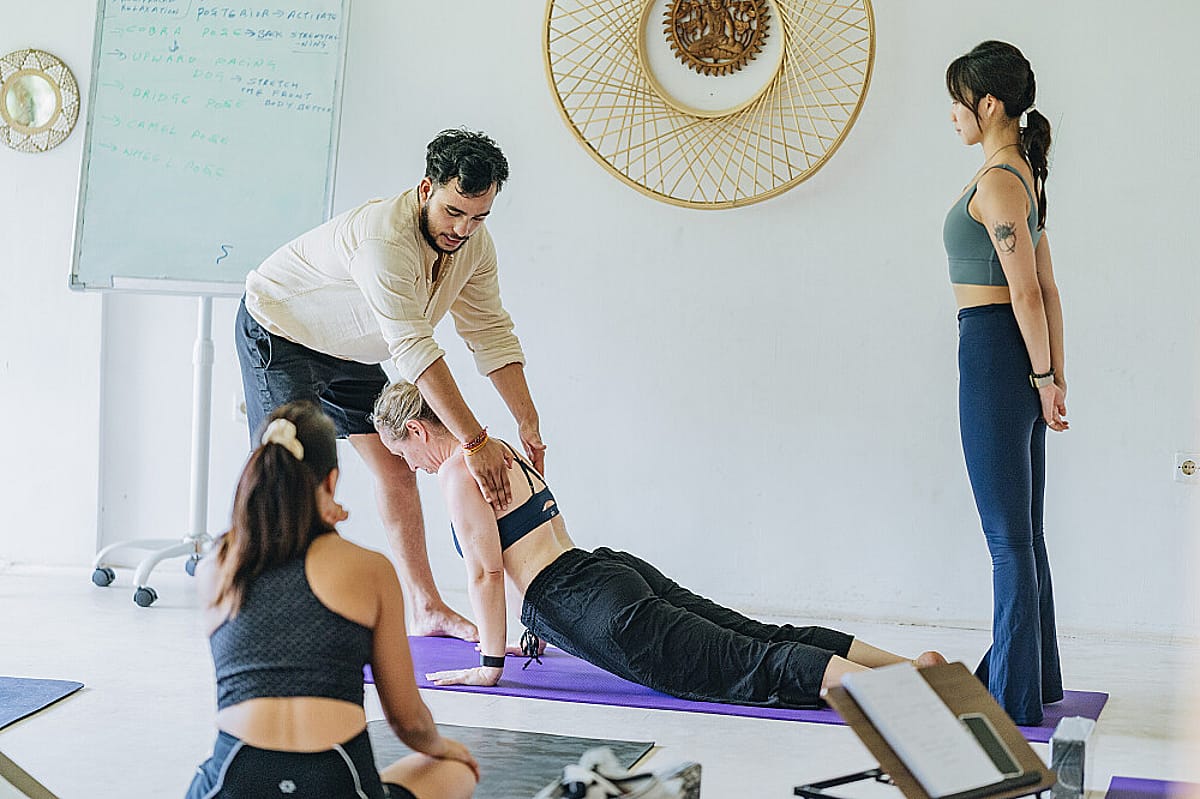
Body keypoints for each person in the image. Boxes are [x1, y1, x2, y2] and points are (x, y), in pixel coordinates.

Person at [370, 381, 946, 707]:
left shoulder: (455, 472)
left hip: (585, 600)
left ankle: (899, 699)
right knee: (757, 634)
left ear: (418, 431)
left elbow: (487, 574)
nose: (413, 468)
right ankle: (909, 669)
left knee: (739, 662)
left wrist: (489, 664)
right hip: (606, 569)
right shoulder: (499, 451)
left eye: (405, 455)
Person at [236, 128, 547, 641]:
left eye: (478, 216)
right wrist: (475, 440)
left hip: (353, 347)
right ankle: (277, 616)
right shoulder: (384, 240)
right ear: (427, 189)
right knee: (289, 477)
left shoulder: (474, 245)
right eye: (453, 212)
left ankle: (424, 608)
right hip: (281, 330)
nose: (463, 228)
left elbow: (488, 330)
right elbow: (416, 349)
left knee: (398, 467)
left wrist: (527, 420)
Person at [188, 401, 478, 799]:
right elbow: (408, 721)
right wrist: (446, 749)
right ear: (332, 480)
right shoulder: (370, 569)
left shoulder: (214, 568)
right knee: (453, 772)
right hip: (335, 781)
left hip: (234, 781)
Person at [943, 40, 1067, 725]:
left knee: (1007, 539)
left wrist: (1043, 375)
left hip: (993, 352)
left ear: (988, 103)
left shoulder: (997, 181)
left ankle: (1012, 698)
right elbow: (1050, 289)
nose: (953, 116)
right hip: (1019, 360)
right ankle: (1037, 680)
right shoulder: (1023, 173)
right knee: (1026, 533)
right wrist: (1051, 377)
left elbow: (1026, 292)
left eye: (957, 102)